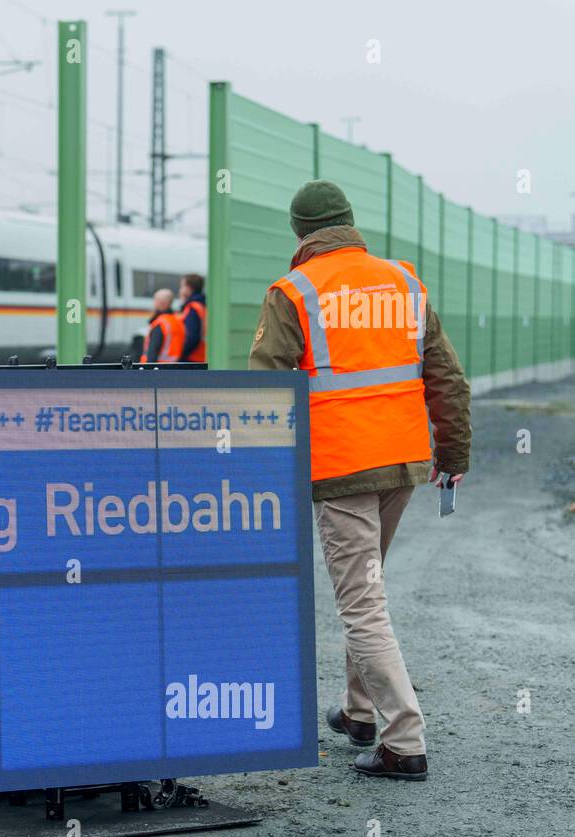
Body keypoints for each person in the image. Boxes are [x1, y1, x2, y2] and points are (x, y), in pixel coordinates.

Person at [249, 179, 472, 781]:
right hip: (402, 462)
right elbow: (447, 378)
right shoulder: (403, 281)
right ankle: (359, 713)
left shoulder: (292, 290)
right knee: (369, 585)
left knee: (361, 604)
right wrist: (452, 454)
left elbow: (266, 395)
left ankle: (405, 741)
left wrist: (263, 482)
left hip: (342, 465)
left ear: (300, 233)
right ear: (349, 222)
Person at [140, 288, 186, 363]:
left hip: (158, 369)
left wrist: (147, 371)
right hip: (174, 368)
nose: (154, 304)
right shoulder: (178, 322)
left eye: (155, 301)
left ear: (161, 303)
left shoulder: (160, 324)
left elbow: (153, 352)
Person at [176, 273, 207, 363]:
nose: (180, 290)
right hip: (200, 358)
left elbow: (192, 338)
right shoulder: (201, 305)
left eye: (182, 286)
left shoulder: (193, 308)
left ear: (189, 288)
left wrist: (180, 355)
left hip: (192, 359)